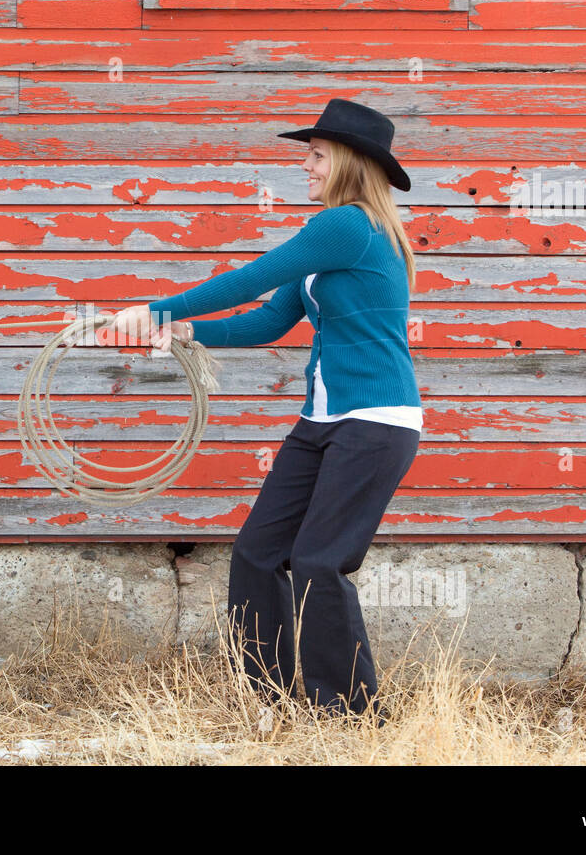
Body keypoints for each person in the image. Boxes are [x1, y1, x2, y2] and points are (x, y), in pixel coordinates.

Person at [111, 99, 422, 719]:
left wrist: (156, 310)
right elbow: (270, 319)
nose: (304, 167)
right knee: (258, 552)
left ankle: (352, 714)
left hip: (376, 421)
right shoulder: (338, 235)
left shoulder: (348, 227)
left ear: (349, 165)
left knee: (318, 562)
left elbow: (251, 277)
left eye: (315, 156)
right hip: (324, 424)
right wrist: (188, 335)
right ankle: (271, 698)